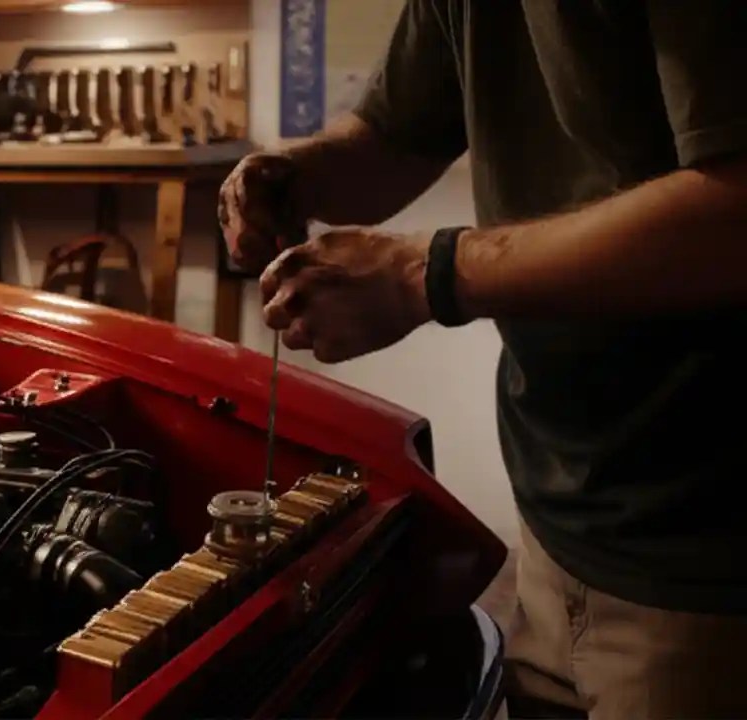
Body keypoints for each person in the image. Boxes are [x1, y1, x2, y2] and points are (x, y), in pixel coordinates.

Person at [218, 2, 747, 719]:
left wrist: (422, 275)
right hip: (557, 515)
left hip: (703, 552)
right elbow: (394, 138)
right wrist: (298, 176)